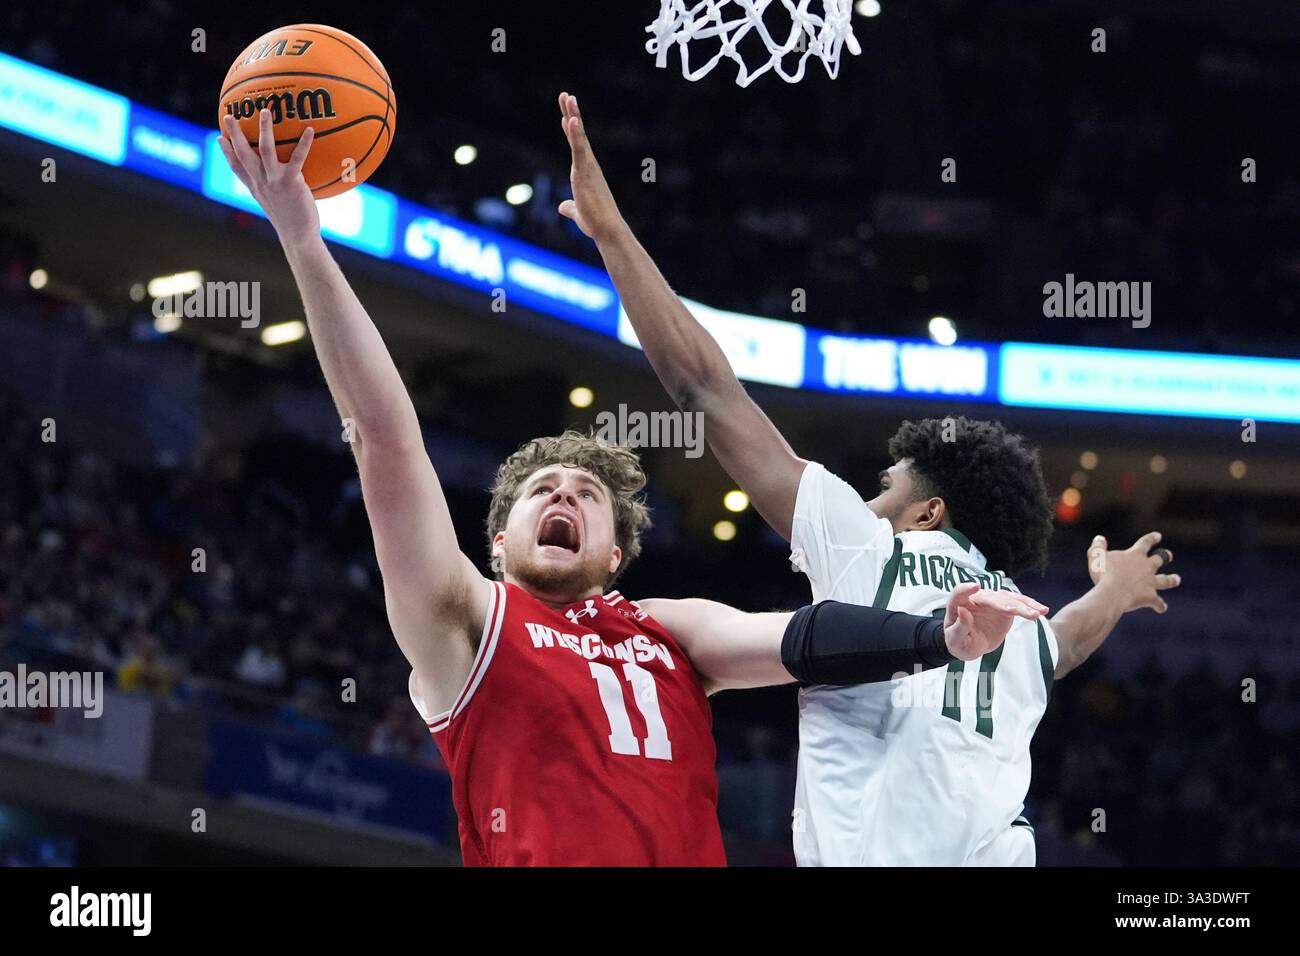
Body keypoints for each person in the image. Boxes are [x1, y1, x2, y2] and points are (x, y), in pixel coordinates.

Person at [218, 110, 1046, 866]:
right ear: (497, 541)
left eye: (587, 493)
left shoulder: (666, 632)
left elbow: (802, 642)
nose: (566, 496)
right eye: (543, 490)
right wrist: (302, 238)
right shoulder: (465, 619)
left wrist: (936, 639)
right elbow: (386, 438)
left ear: (616, 552)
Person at [555, 91, 1183, 866]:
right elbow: (1071, 640)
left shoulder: (868, 549)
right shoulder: (1021, 630)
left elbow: (707, 391)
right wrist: (1116, 590)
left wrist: (612, 235)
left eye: (884, 486)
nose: (866, 498)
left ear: (926, 513)